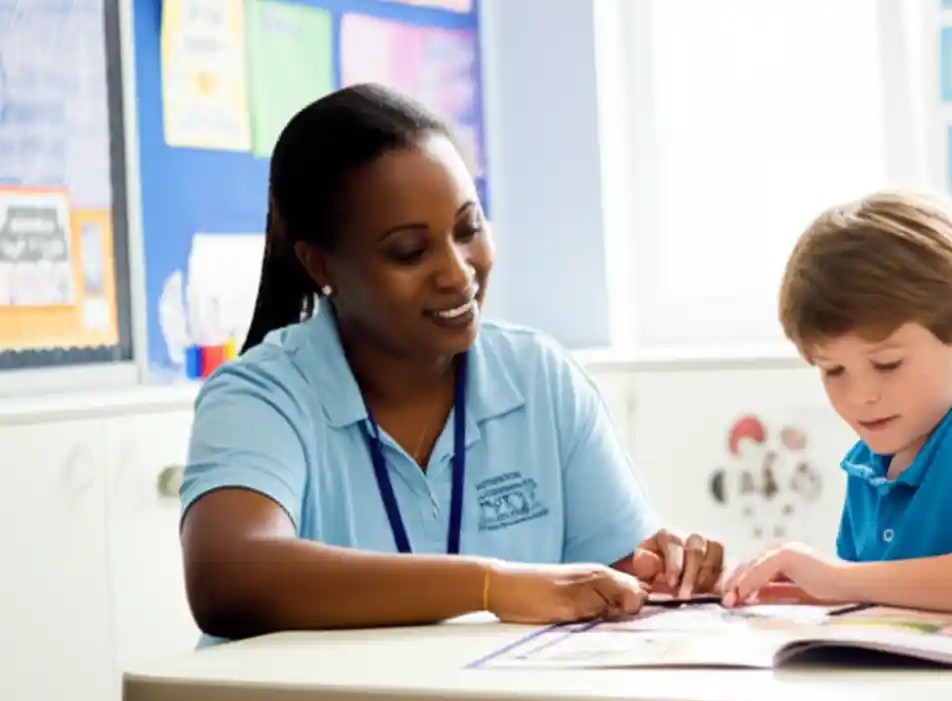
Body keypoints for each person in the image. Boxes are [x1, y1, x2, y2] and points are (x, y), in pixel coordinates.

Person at [179, 84, 723, 642]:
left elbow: (613, 574)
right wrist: (491, 585)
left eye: (468, 229)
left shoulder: (538, 377)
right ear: (321, 265)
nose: (458, 273)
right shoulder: (261, 395)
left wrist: (660, 571)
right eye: (410, 252)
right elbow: (228, 578)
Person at [720, 190, 952, 617]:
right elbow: (878, 594)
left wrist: (841, 579)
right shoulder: (870, 462)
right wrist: (798, 583)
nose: (861, 396)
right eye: (833, 370)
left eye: (887, 363)